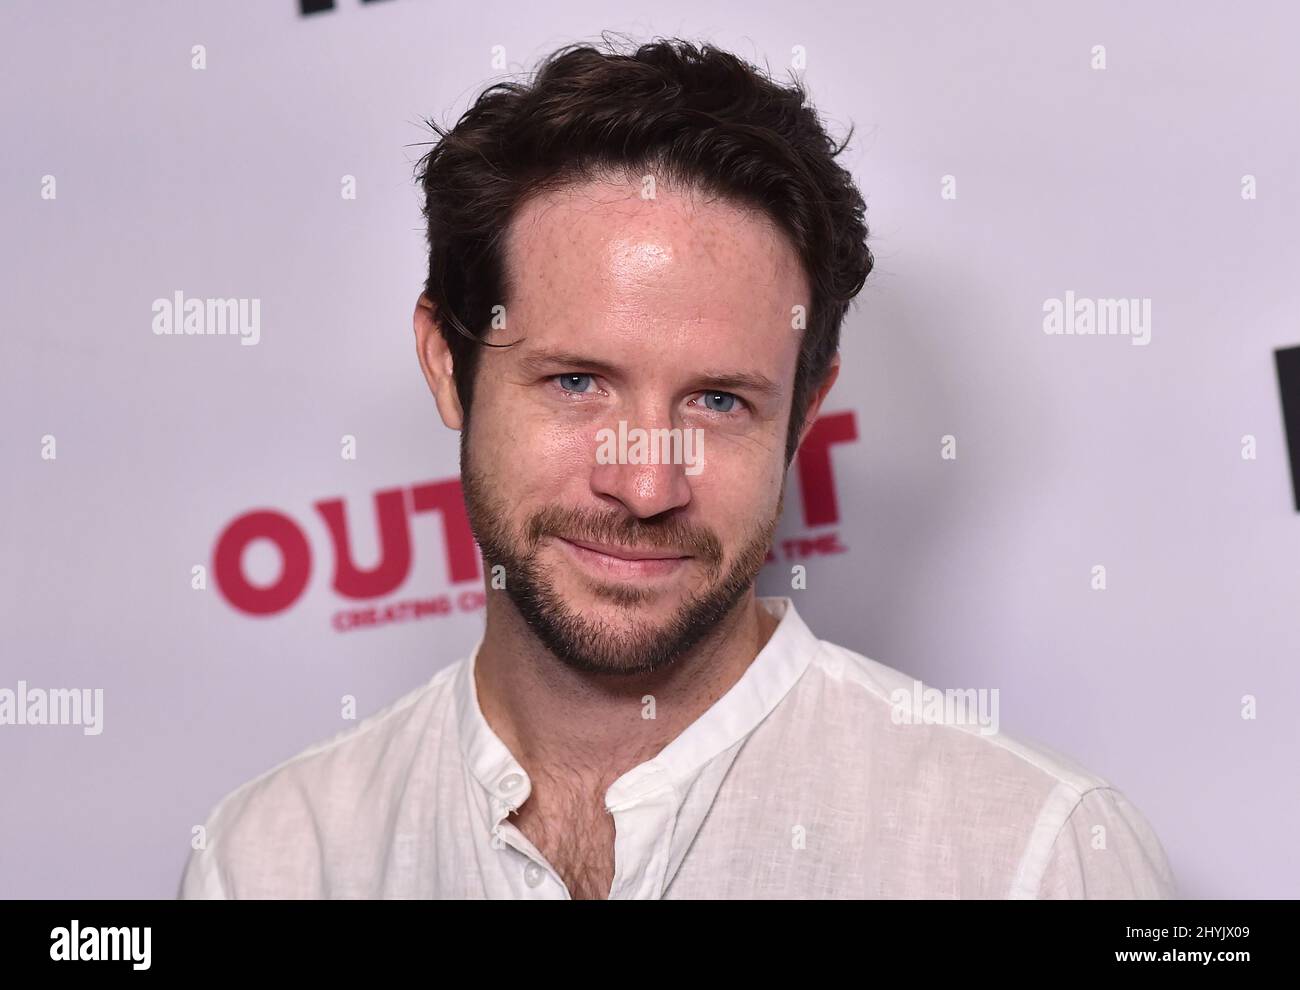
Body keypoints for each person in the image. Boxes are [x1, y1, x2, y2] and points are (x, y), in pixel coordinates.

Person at [180, 38, 1176, 900]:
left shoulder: (1033, 861)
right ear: (449, 363)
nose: (646, 486)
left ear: (804, 413)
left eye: (717, 401)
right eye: (576, 383)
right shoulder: (271, 861)